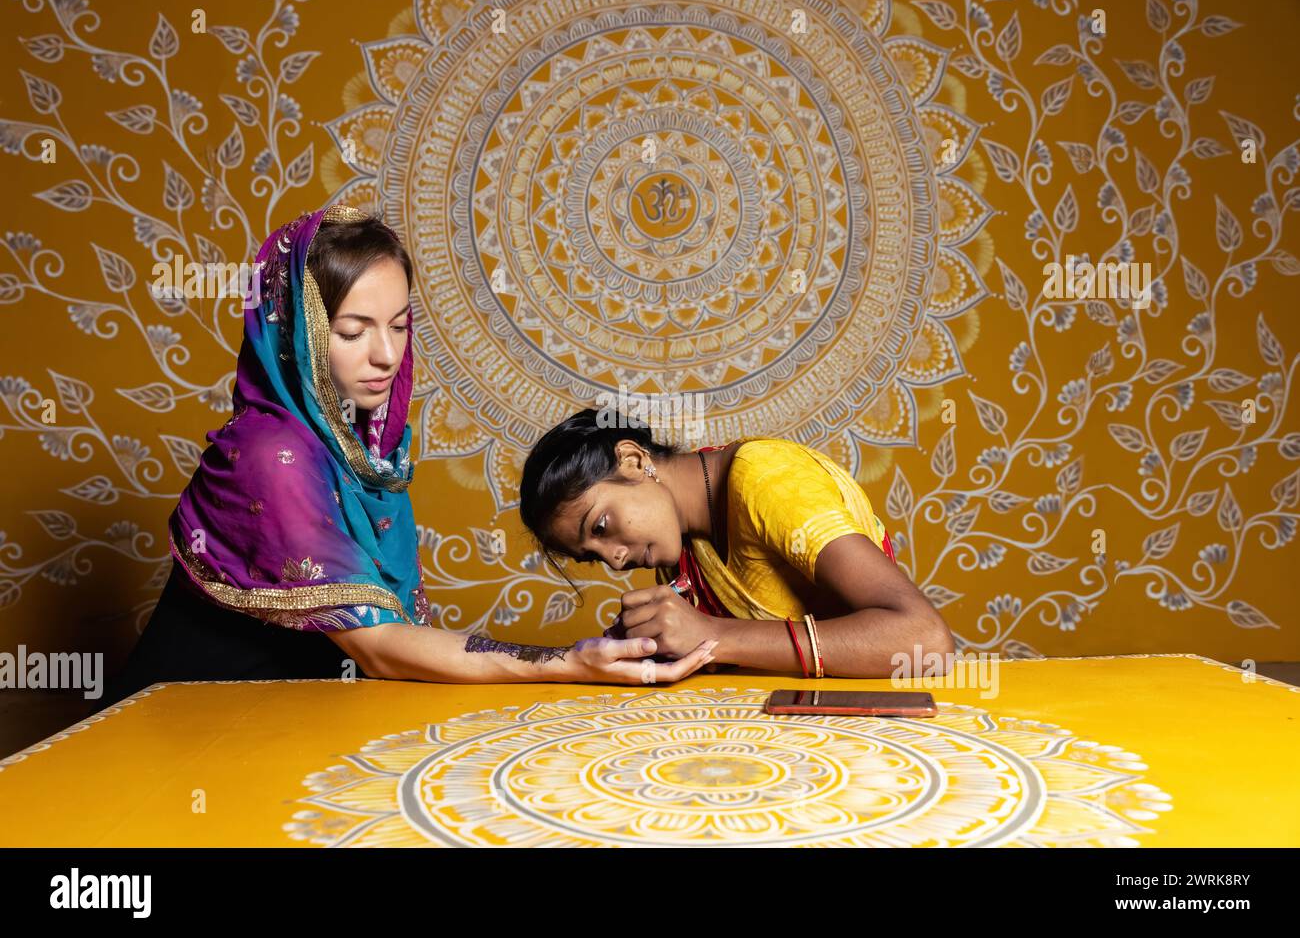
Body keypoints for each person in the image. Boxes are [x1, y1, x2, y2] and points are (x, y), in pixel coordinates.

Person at [95, 205, 716, 712]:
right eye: (353, 331)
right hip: (187, 735)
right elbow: (382, 649)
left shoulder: (367, 454)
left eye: (398, 325)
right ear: (297, 335)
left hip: (290, 729)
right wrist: (566, 663)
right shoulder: (272, 455)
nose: (386, 355)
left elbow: (398, 648)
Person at [518, 411, 957, 679]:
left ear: (634, 460)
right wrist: (649, 653)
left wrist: (711, 636)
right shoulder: (680, 554)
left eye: (600, 526)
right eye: (590, 557)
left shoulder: (763, 480)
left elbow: (924, 640)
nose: (614, 559)